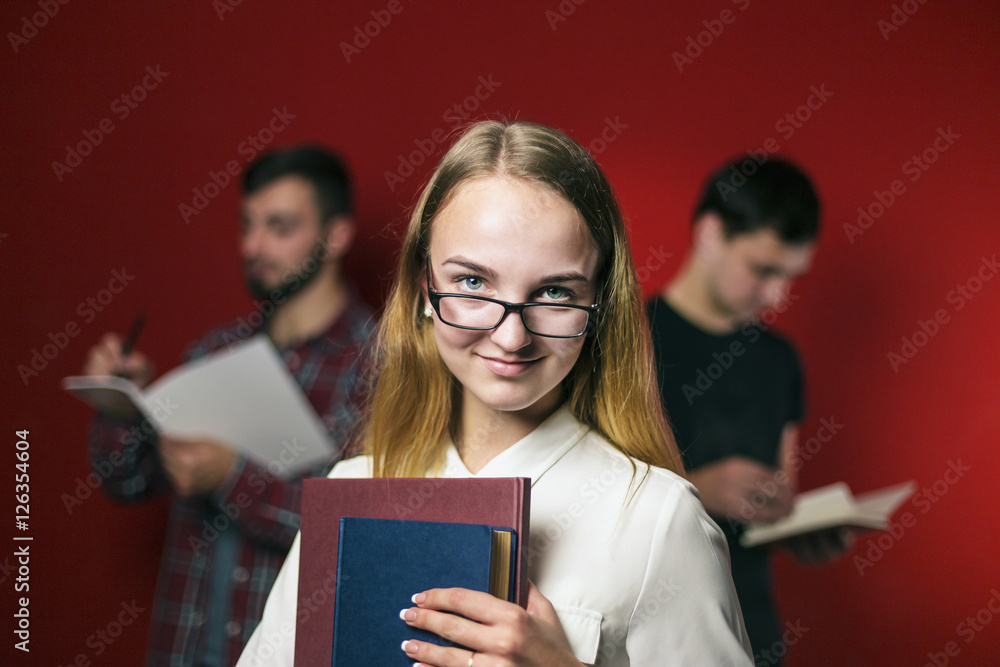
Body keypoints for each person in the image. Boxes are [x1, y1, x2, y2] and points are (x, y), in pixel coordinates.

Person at [237, 120, 753, 667]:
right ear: (424, 289)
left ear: (599, 307)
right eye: (473, 283)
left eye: (555, 291)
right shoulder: (351, 493)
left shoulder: (657, 518)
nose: (512, 336)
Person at [82, 145, 375, 667]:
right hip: (185, 648)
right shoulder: (214, 351)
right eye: (247, 224)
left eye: (280, 226)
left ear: (336, 236)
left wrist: (229, 477)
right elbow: (126, 482)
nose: (253, 245)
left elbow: (361, 536)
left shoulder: (382, 368)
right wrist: (123, 403)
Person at [646, 157, 849, 664]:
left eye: (790, 276)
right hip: (645, 627)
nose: (777, 296)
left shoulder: (779, 360)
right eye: (764, 269)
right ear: (711, 233)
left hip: (751, 628)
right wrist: (694, 489)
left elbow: (779, 493)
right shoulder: (624, 343)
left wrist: (801, 530)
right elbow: (572, 498)